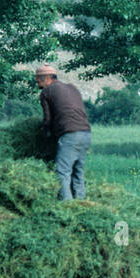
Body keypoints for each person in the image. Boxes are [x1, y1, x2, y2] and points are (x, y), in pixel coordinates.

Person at [35, 63, 92, 200]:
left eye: (38, 79)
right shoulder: (72, 88)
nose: (37, 83)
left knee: (62, 173)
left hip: (70, 135)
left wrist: (42, 135)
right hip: (86, 133)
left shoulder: (46, 92)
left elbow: (48, 120)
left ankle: (67, 208)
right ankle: (81, 204)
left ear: (47, 78)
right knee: (77, 173)